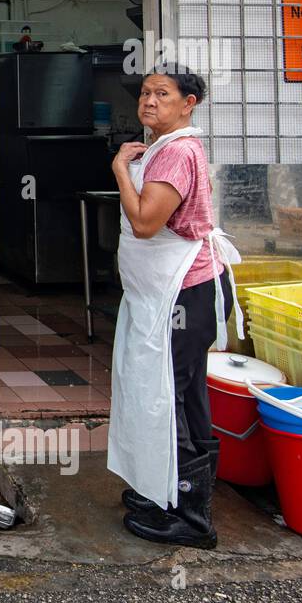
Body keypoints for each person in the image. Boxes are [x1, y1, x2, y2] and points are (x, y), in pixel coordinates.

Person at [107, 62, 241, 550]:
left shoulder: (175, 153)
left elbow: (144, 222)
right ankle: (164, 492)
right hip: (175, 293)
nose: (148, 102)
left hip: (185, 294)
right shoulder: (165, 149)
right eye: (144, 93)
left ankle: (190, 516)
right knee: (181, 392)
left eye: (162, 94)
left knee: (176, 397)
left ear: (189, 103)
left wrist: (120, 169)